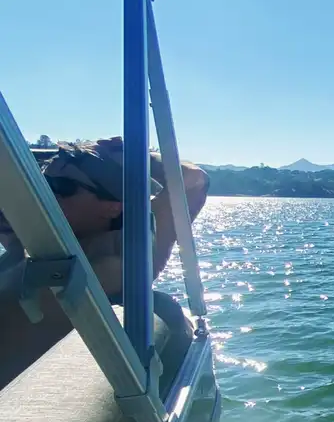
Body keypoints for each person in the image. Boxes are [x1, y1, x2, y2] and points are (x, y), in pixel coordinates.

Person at [0, 137, 209, 389]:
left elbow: (192, 180)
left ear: (112, 207)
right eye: (43, 179)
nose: (43, 192)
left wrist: (134, 153)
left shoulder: (115, 256)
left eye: (61, 186)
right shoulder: (25, 236)